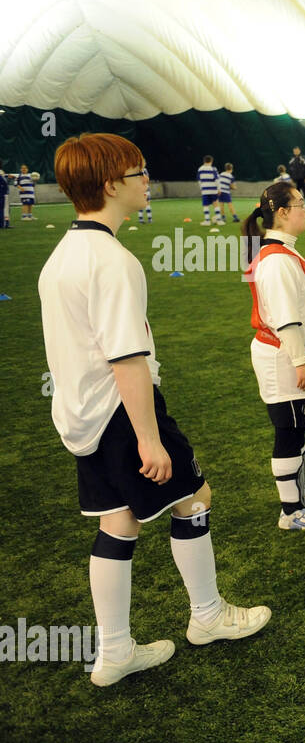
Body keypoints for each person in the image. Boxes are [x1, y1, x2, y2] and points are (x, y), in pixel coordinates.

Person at [38, 132, 270, 687]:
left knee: (118, 521)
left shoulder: (62, 255)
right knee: (194, 498)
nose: (148, 180)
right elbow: (127, 359)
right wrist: (149, 436)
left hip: (81, 413)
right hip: (120, 410)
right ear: (111, 183)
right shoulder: (112, 261)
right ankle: (208, 615)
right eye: (139, 172)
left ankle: (115, 650)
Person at [241, 181, 305, 531]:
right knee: (288, 432)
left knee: (296, 428)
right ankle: (291, 512)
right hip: (283, 357)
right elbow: (285, 318)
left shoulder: (281, 251)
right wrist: (300, 361)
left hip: (288, 353)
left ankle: (302, 493)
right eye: (300, 203)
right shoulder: (277, 259)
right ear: (282, 213)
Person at [197, 155, 220, 226]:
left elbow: (199, 181)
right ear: (211, 161)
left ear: (204, 161)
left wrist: (202, 189)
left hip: (205, 191)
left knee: (205, 205)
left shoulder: (200, 169)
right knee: (216, 204)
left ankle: (207, 221)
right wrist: (219, 188)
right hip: (213, 190)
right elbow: (217, 180)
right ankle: (219, 221)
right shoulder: (213, 169)